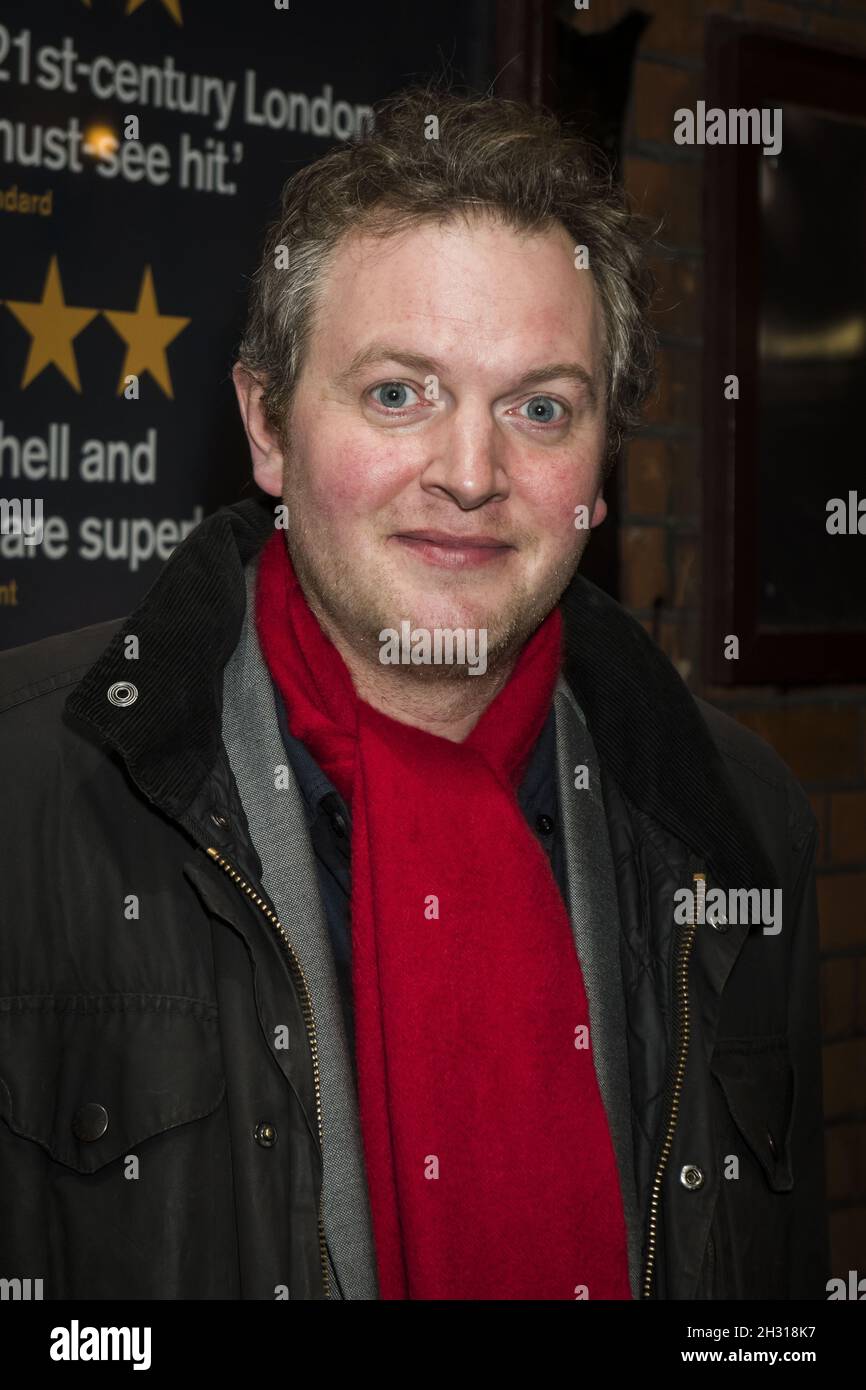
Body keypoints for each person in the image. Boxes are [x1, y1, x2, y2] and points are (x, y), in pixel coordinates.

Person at [0, 85, 828, 1301]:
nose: (471, 472)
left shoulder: (739, 820)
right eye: (400, 393)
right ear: (267, 426)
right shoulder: (27, 797)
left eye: (539, 408)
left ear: (600, 465)